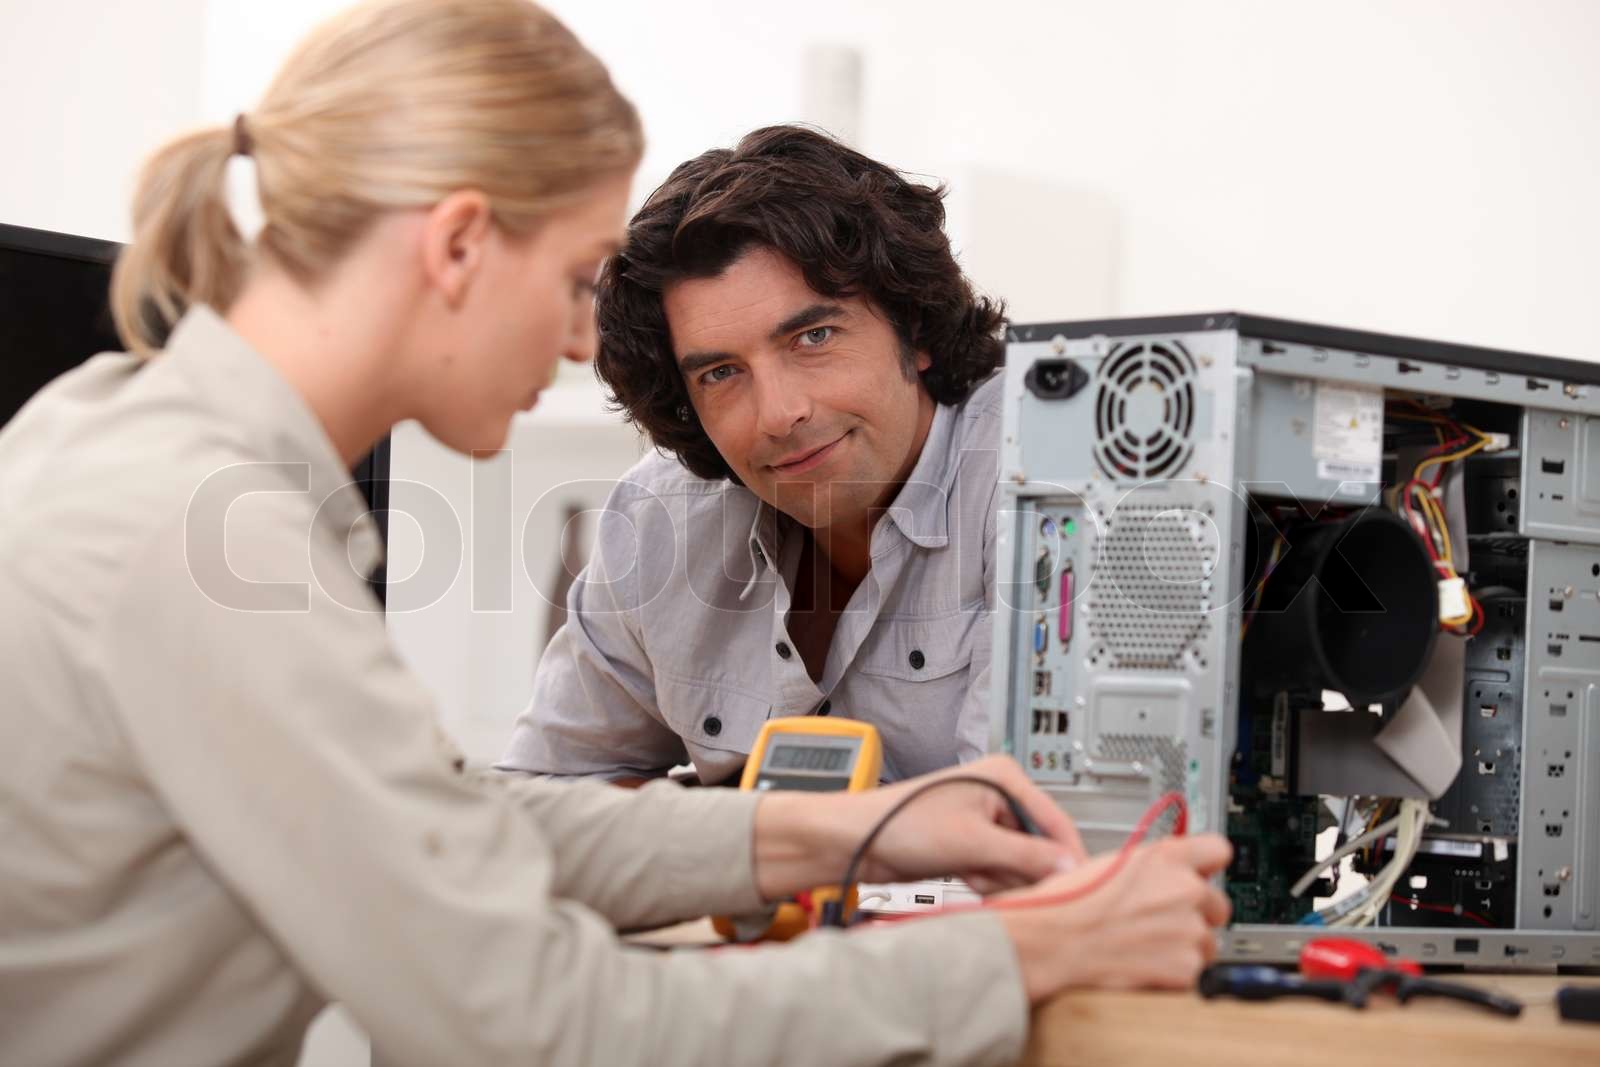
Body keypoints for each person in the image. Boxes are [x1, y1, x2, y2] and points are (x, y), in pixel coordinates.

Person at [0, 2, 1232, 1065]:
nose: (585, 344)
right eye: (576, 279)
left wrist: (832, 825)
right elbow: (537, 1023)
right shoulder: (208, 540)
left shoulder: (117, 442)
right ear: (460, 243)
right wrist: (1016, 951)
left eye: (810, 335)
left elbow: (450, 826)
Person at [501, 125, 1011, 784]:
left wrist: (699, 820)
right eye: (720, 373)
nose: (778, 413)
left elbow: (1020, 842)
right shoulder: (661, 515)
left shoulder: (1032, 476)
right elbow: (541, 803)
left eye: (814, 336)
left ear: (912, 326)